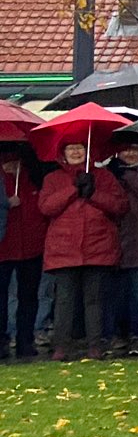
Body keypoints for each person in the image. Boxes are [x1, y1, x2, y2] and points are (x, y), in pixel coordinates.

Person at [39, 142, 129, 360]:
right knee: (64, 302)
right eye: (71, 148)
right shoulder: (53, 179)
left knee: (94, 300)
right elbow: (46, 207)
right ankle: (62, 347)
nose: (76, 152)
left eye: (80, 147)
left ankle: (95, 346)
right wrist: (72, 189)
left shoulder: (104, 177)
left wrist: (94, 193)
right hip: (64, 249)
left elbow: (120, 207)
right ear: (63, 153)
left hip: (97, 247)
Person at [105, 145, 138, 355]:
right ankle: (119, 333)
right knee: (117, 295)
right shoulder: (110, 174)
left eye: (133, 149)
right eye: (124, 150)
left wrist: (127, 177)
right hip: (115, 242)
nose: (129, 154)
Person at [0, 150, 46, 362]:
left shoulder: (33, 179)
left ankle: (25, 340)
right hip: (4, 248)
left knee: (29, 297)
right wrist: (7, 203)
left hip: (31, 248)